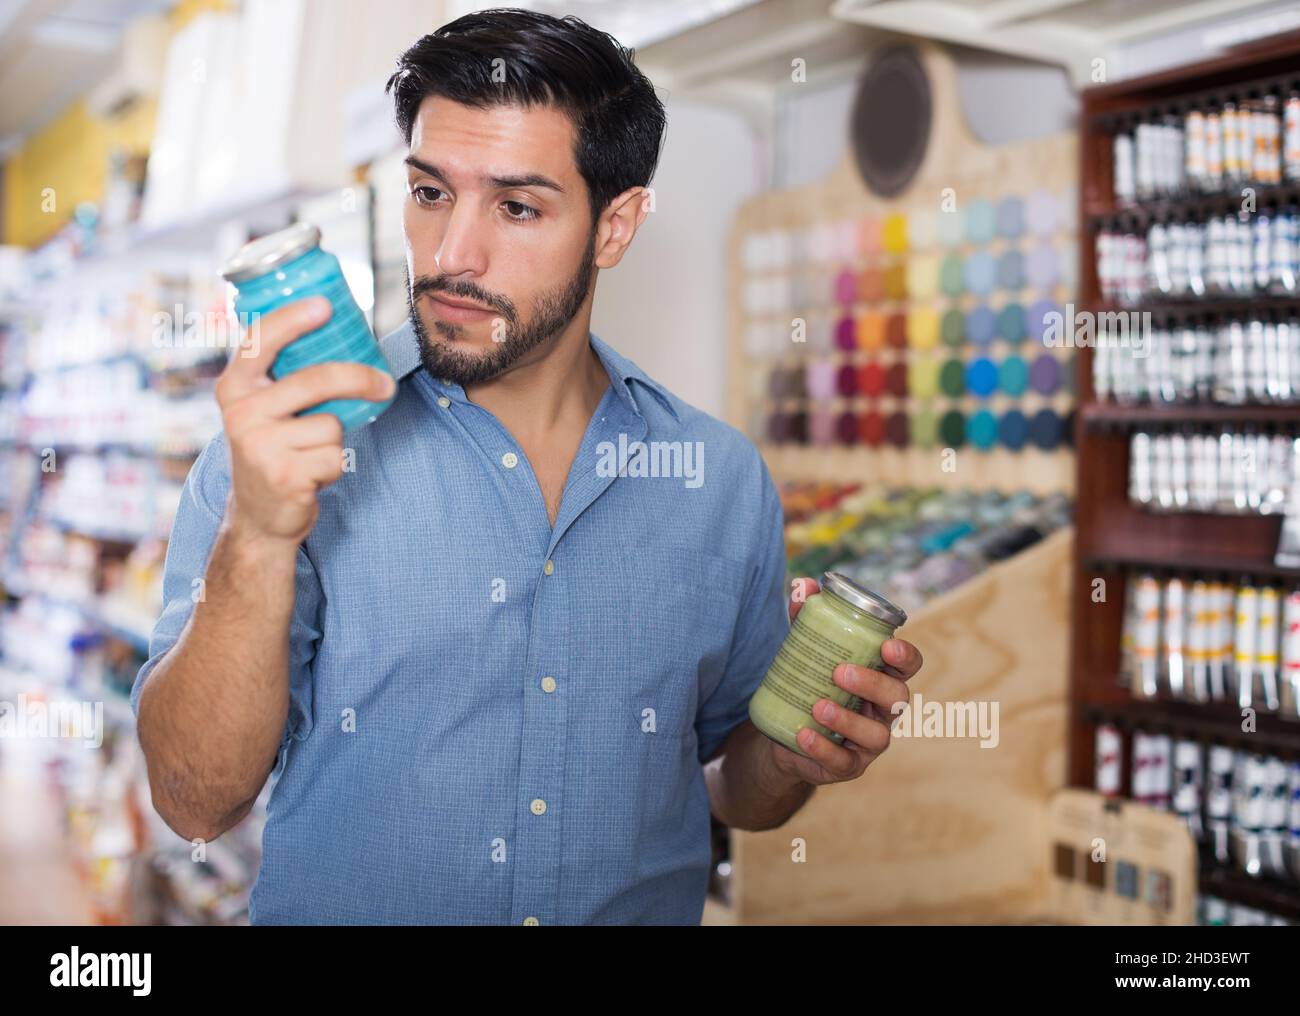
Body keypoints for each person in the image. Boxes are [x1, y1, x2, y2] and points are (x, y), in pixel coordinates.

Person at [131, 7, 923, 925]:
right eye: (430, 192)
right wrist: (258, 537)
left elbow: (733, 788)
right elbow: (193, 801)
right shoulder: (281, 452)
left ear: (615, 226)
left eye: (516, 206)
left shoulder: (718, 481)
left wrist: (788, 756)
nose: (452, 255)